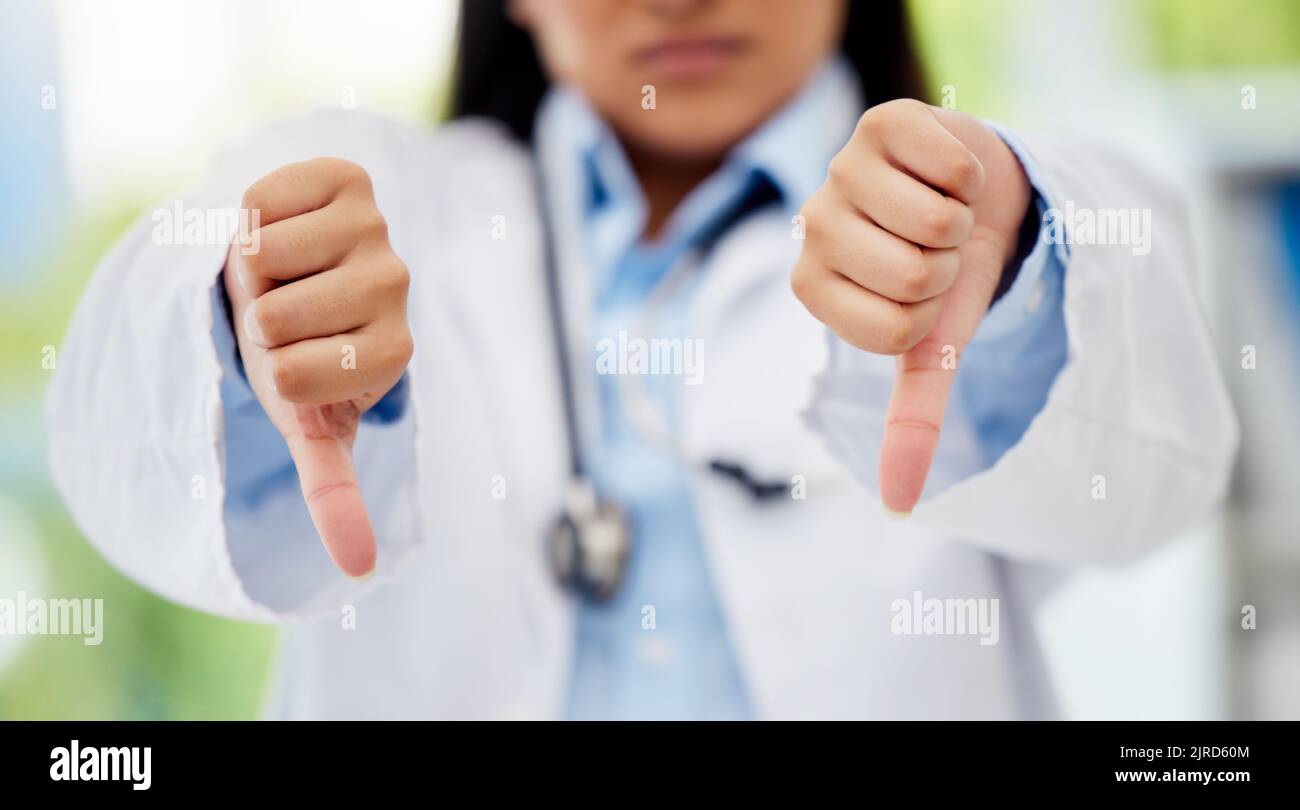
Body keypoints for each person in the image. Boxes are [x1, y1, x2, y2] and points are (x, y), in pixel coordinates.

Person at [47, 0, 1237, 719]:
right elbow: (124, 440)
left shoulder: (984, 208)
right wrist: (249, 325)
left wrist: (1021, 265)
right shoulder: (387, 205)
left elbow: (1158, 467)